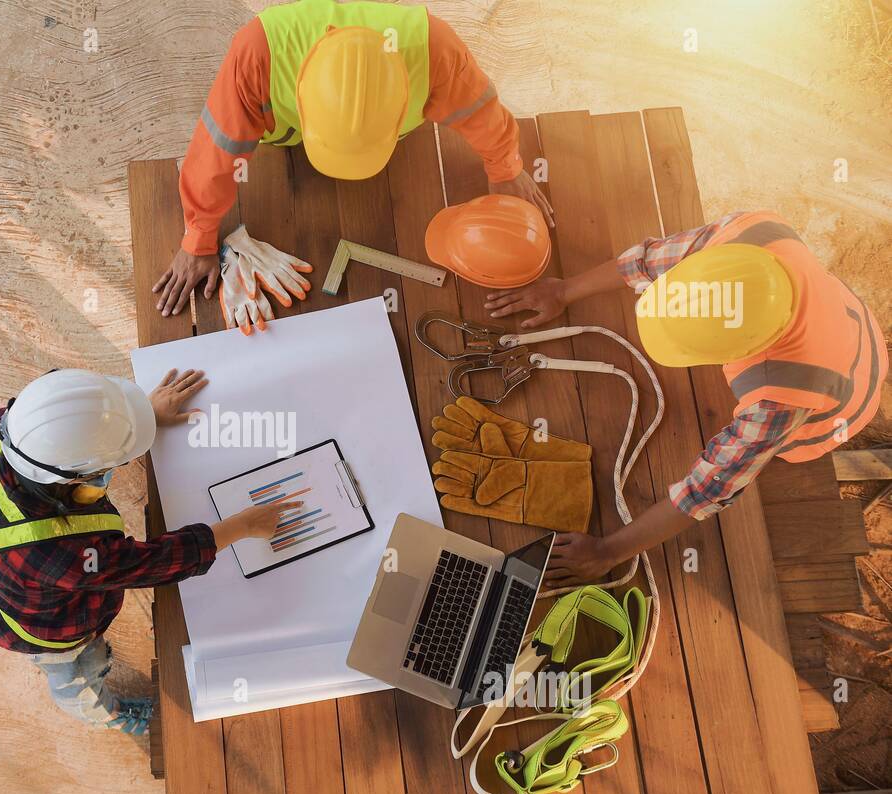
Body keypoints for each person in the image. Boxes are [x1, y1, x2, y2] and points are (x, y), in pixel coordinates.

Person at [484, 211, 886, 587]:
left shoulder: (779, 400)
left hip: (846, 399)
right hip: (848, 319)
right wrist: (564, 290)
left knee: (785, 450)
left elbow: (708, 489)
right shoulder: (747, 234)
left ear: (736, 354)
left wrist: (608, 552)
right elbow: (647, 260)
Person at [153, 0, 553, 319]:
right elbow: (216, 150)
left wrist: (505, 166)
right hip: (289, 132)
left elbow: (480, 110)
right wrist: (199, 238)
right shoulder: (258, 51)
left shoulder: (434, 49)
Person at [0, 368, 296, 734]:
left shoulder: (1, 429)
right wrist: (242, 526)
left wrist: (135, 419)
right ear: (74, 480)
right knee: (80, 676)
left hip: (13, 579)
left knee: (86, 657)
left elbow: (70, 420)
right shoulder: (63, 552)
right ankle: (107, 715)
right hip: (45, 629)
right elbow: (156, 562)